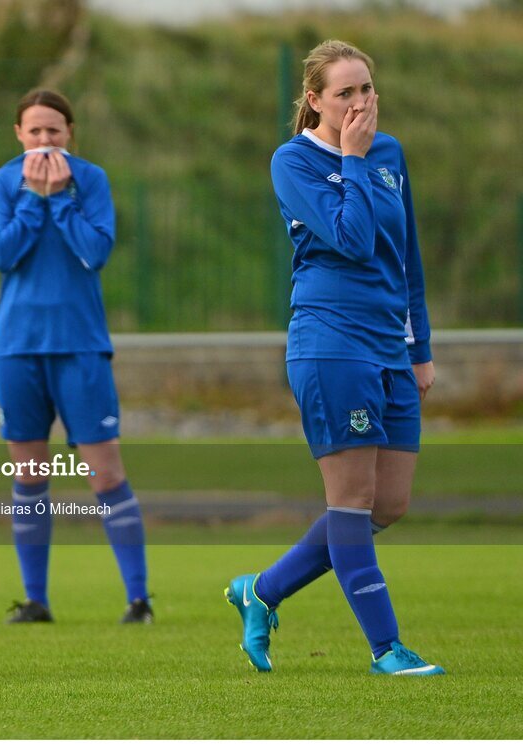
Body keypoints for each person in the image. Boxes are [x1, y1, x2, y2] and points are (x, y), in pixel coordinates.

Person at [225, 39, 443, 676]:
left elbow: (407, 259)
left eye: (367, 90)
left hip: (390, 349)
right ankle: (387, 649)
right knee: (350, 503)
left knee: (388, 506)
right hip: (331, 344)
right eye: (345, 93)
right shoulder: (293, 161)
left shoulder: (392, 153)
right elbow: (350, 241)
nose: (359, 103)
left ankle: (260, 591)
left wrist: (420, 348)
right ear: (314, 100)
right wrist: (350, 157)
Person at [0, 89, 152, 624]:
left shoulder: (91, 180)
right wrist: (33, 198)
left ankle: (138, 600)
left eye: (53, 130)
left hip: (81, 344)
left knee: (104, 474)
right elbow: (3, 254)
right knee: (29, 474)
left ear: (69, 132)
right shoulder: (4, 182)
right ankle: (36, 600)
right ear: (18, 133)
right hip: (17, 347)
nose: (44, 140)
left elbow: (95, 251)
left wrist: (59, 199)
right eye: (34, 131)